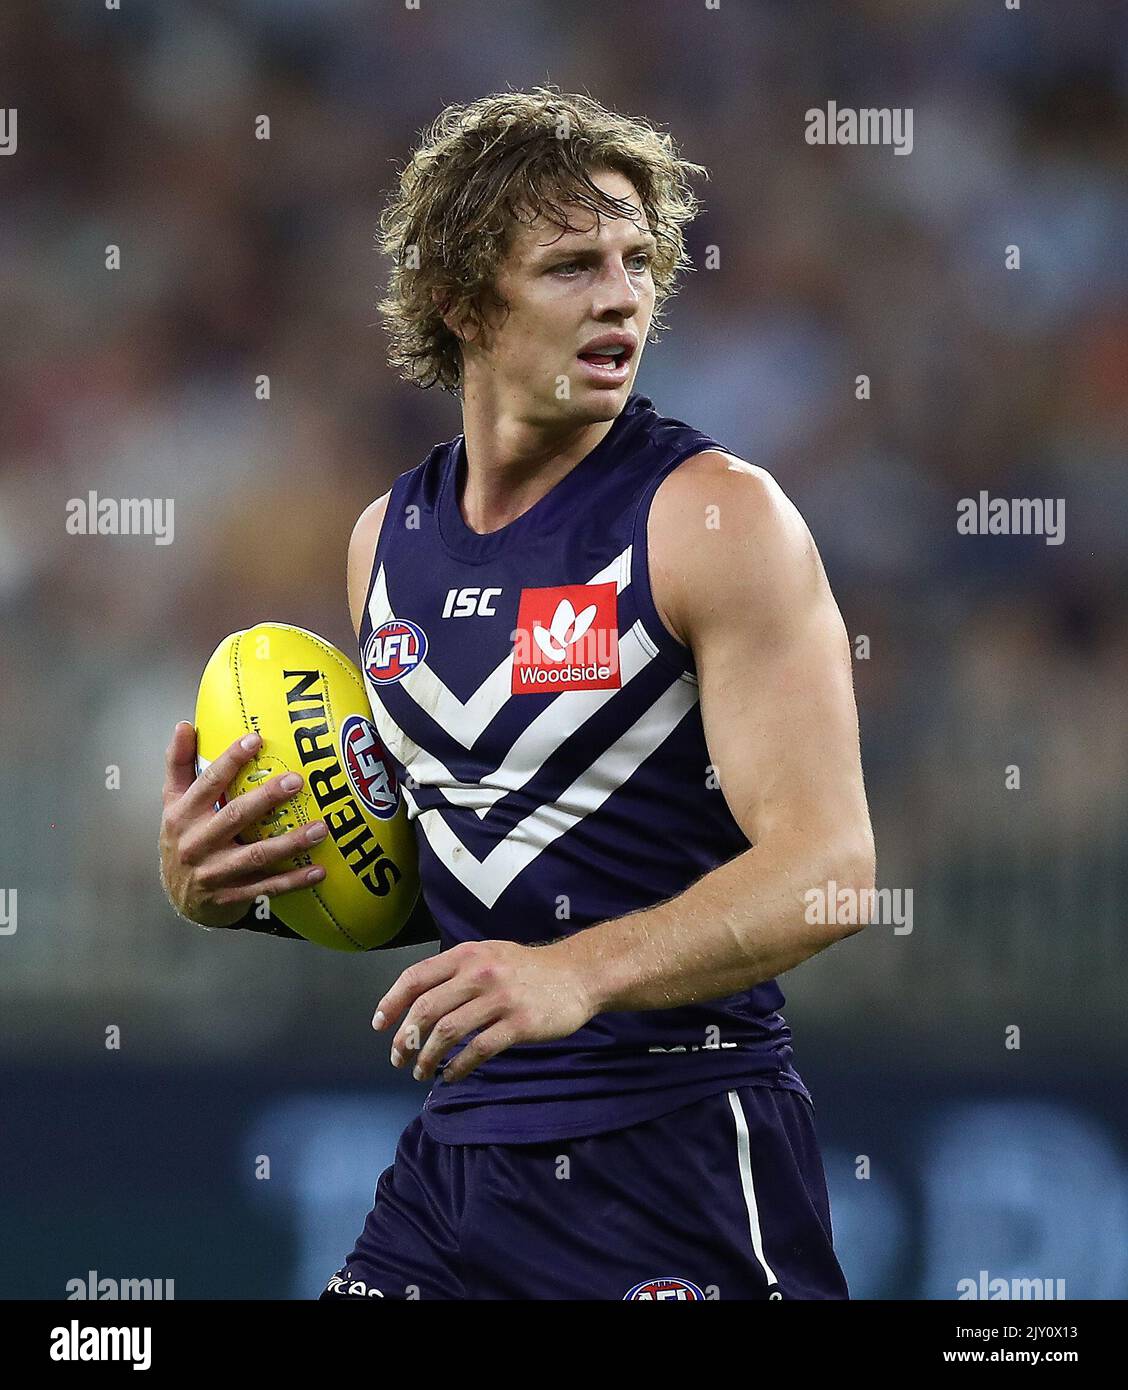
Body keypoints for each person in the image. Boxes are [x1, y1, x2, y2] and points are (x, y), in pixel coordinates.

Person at [159, 87, 874, 1300]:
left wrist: (576, 973)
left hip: (681, 1155)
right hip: (457, 1167)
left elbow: (834, 869)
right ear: (457, 300)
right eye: (570, 265)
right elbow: (461, 868)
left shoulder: (714, 518)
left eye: (638, 260)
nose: (622, 296)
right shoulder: (386, 543)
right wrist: (235, 885)